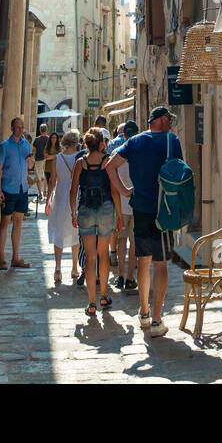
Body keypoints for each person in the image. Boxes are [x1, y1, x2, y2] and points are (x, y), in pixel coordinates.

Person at [107, 106, 183, 337]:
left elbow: (110, 166)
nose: (171, 122)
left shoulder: (135, 142)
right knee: (161, 264)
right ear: (160, 120)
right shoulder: (172, 141)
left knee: (143, 261)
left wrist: (124, 190)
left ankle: (144, 311)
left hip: (140, 207)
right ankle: (158, 319)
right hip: (163, 211)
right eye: (169, 118)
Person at [71, 129, 124, 317]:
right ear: (101, 143)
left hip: (86, 209)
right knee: (103, 255)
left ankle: (91, 302)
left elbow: (73, 190)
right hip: (106, 209)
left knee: (90, 258)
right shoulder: (107, 161)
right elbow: (115, 190)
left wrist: (73, 213)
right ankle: (103, 296)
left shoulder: (80, 163)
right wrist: (119, 214)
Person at [0, 116, 32, 270]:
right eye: (17, 127)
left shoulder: (26, 145)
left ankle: (15, 257)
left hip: (22, 189)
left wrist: (31, 162)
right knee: (5, 222)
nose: (19, 130)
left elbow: (30, 165)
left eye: (21, 127)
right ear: (12, 128)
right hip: (8, 189)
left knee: (18, 222)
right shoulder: (5, 146)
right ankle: (2, 259)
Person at [46, 131, 81, 285]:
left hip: (60, 196)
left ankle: (58, 268)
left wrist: (48, 199)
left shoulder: (57, 159)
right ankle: (74, 267)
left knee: (59, 231)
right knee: (76, 232)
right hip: (76, 195)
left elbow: (52, 181)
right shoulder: (80, 158)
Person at [111, 121, 139, 292]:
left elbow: (110, 176)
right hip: (137, 203)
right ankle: (130, 277)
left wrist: (121, 191)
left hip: (120, 203)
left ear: (124, 135)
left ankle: (121, 275)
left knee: (121, 240)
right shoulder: (141, 152)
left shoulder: (116, 153)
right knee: (134, 242)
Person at [32, 123, 50, 201]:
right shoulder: (49, 139)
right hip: (47, 159)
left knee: (38, 178)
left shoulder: (36, 139)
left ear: (40, 130)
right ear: (46, 130)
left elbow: (34, 150)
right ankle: (45, 191)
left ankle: (40, 193)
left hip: (38, 159)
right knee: (46, 176)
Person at [43, 131, 60, 198]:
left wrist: (51, 156)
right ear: (50, 138)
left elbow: (60, 156)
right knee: (48, 184)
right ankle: (50, 198)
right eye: (52, 137)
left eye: (55, 137)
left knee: (53, 185)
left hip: (56, 168)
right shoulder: (47, 147)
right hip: (47, 168)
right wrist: (55, 156)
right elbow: (46, 157)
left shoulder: (59, 147)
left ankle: (52, 198)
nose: (54, 139)